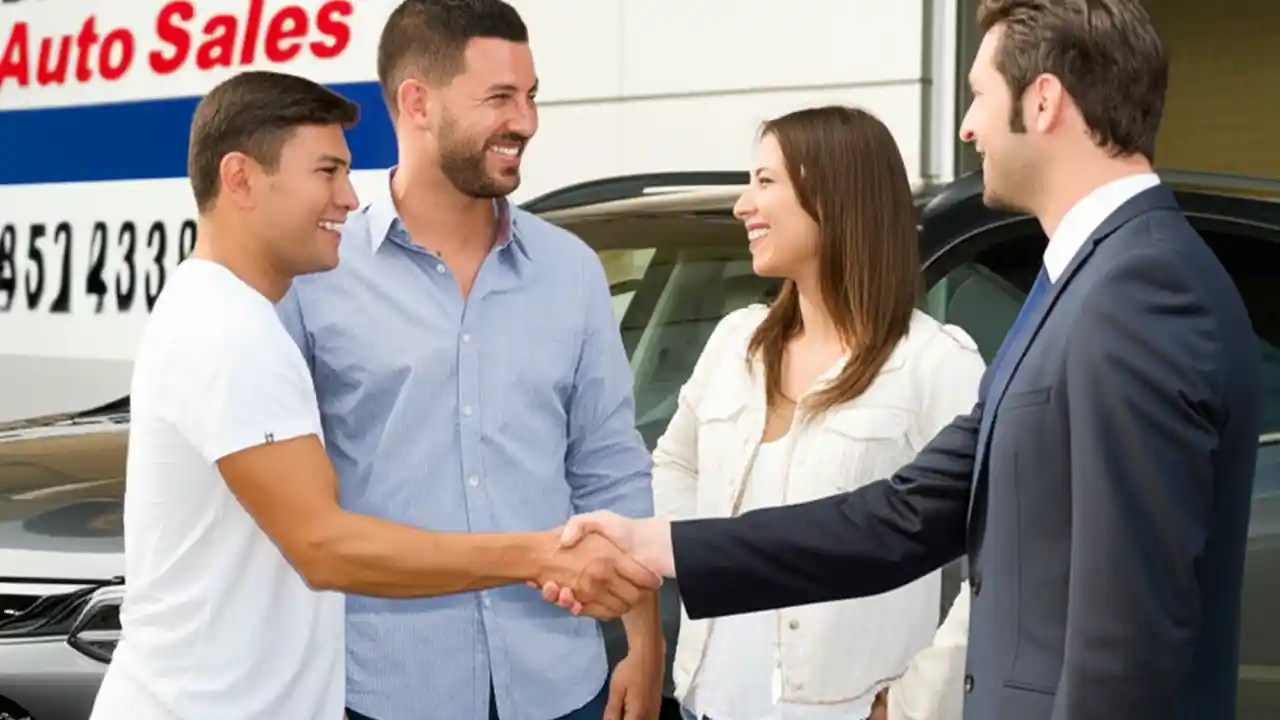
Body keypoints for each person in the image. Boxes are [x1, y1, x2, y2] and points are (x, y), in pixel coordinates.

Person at [547, 1, 1264, 719]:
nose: (967, 127)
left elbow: (1127, 635)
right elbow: (900, 517)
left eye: (979, 95)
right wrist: (656, 542)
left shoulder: (1140, 289)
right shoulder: (1077, 285)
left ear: (1043, 101)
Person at [89, 69, 656, 720]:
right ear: (240, 178)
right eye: (326, 172)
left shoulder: (233, 317)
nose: (349, 198)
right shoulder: (226, 332)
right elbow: (325, 546)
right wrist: (534, 555)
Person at [274, 2, 664, 719]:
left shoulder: (571, 272)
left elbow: (607, 463)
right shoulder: (316, 277)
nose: (527, 121)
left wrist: (643, 639)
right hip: (384, 691)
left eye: (531, 95)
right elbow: (289, 505)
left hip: (560, 685)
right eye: (499, 98)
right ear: (416, 103)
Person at [644, 105, 984, 720]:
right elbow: (673, 463)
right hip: (707, 703)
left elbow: (998, 563)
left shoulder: (934, 362)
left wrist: (918, 701)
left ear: (835, 196)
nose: (743, 205)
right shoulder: (734, 343)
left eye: (765, 182)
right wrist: (713, 553)